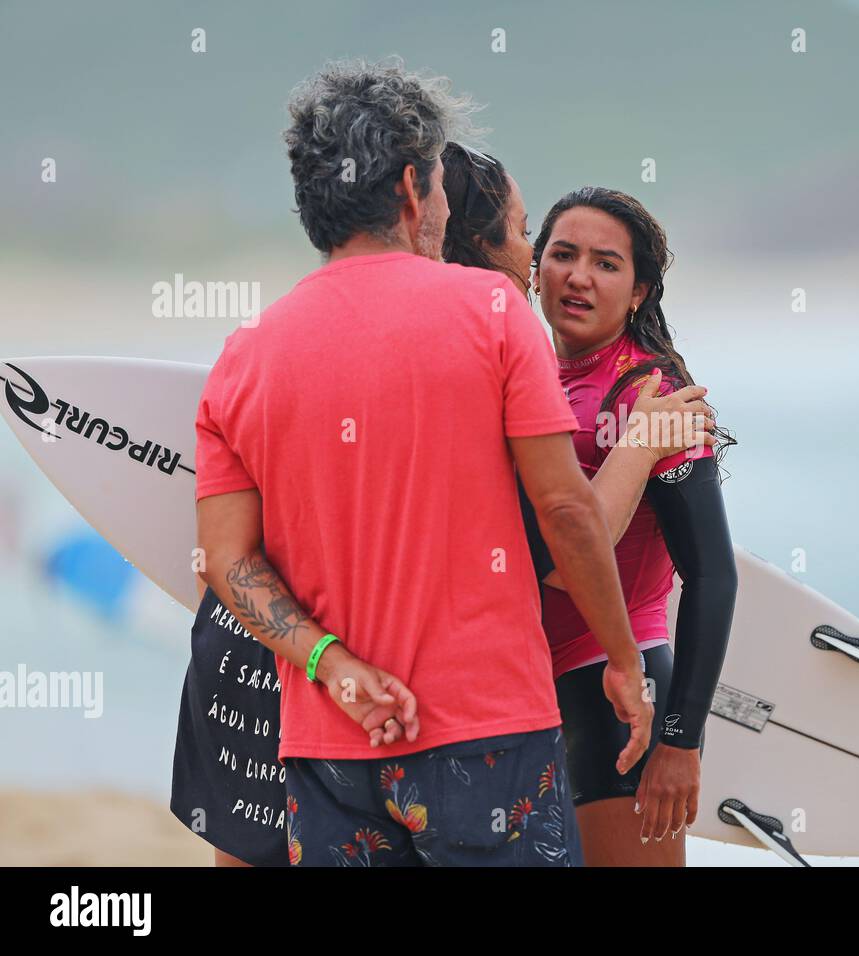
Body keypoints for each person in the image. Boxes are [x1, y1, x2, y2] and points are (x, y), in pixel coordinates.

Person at [189, 59, 655, 868]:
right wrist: (622, 660)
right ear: (411, 188)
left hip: (329, 746)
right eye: (439, 182)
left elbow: (228, 562)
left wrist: (332, 666)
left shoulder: (245, 355)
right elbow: (568, 511)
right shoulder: (491, 308)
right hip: (490, 736)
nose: (443, 202)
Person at [525, 186, 739, 866]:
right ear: (536, 271)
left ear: (640, 290)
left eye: (606, 263)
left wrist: (681, 741)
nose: (579, 276)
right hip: (530, 691)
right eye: (563, 255)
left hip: (619, 694)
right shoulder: (532, 381)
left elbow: (712, 576)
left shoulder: (654, 396)